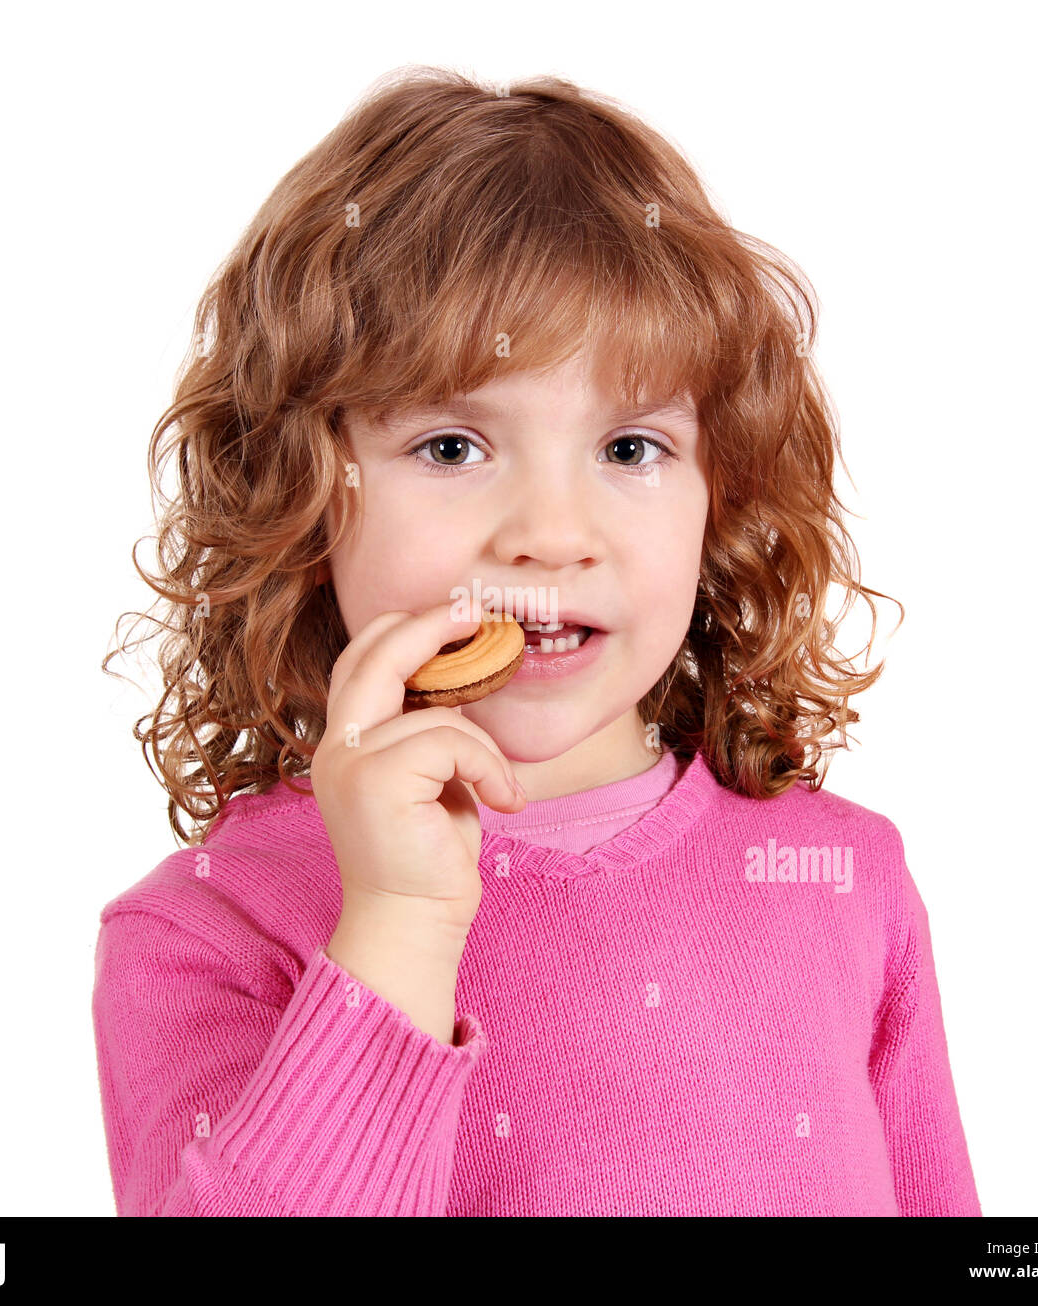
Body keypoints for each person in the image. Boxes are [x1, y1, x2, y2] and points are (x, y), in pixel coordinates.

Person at [94, 65, 980, 1217]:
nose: (552, 537)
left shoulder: (847, 881)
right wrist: (400, 926)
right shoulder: (208, 926)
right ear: (306, 494)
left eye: (628, 448)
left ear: (726, 490)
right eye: (455, 446)